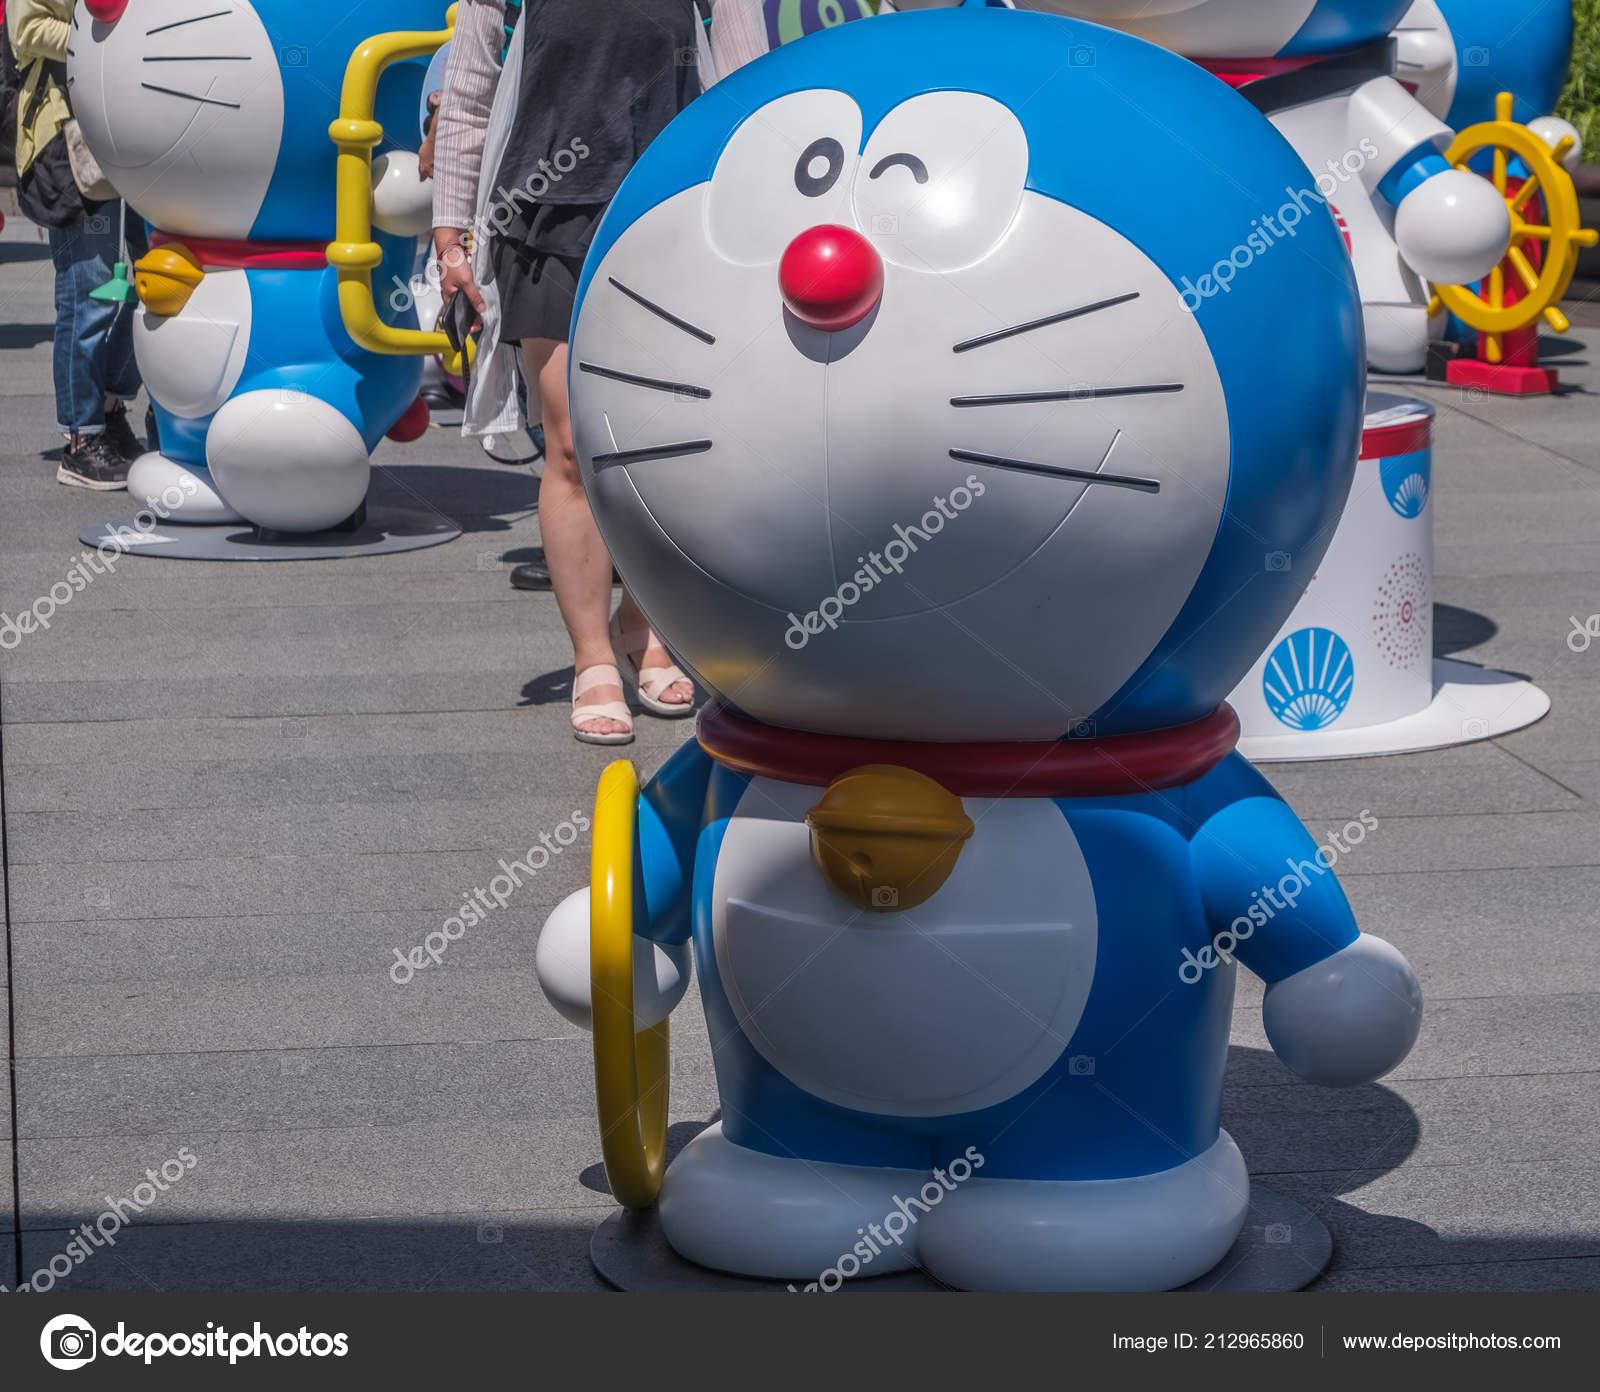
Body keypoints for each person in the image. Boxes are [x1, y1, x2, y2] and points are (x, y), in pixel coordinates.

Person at [433, 1, 762, 744]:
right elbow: (470, 89)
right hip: (544, 216)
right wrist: (449, 230)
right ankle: (592, 660)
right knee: (574, 444)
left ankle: (643, 628)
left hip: (675, 216)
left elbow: (749, 85)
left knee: (664, 444)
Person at [7, 0, 146, 489]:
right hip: (70, 134)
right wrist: (122, 35)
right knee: (88, 292)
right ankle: (82, 439)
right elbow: (27, 31)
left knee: (155, 282)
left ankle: (110, 403)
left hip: (137, 129)